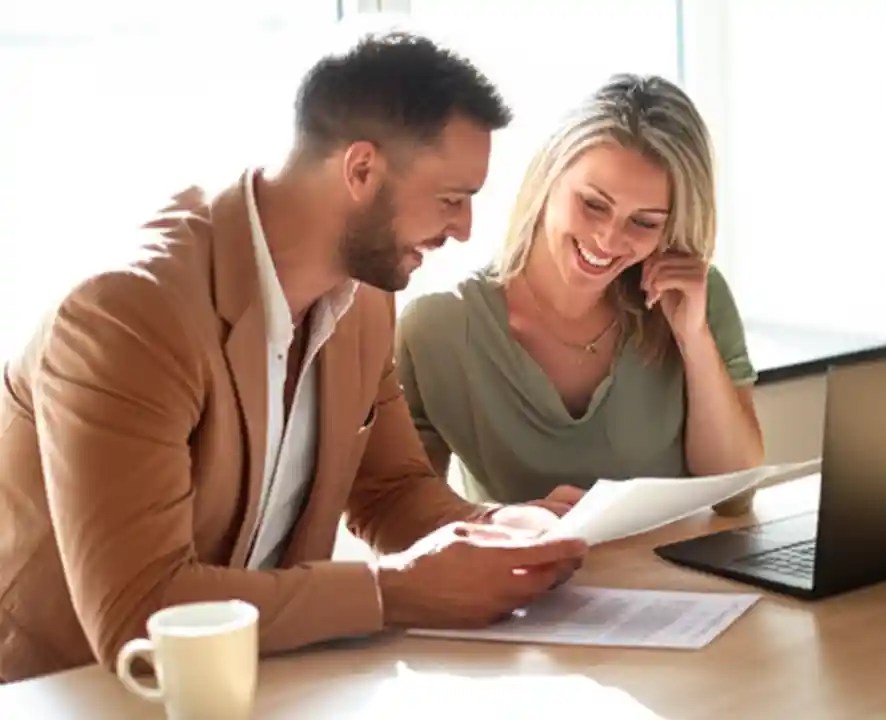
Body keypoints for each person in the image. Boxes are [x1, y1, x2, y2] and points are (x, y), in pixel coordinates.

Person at [0, 32, 588, 683]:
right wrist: (392, 591)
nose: (465, 230)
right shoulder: (127, 314)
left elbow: (390, 493)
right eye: (451, 198)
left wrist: (502, 531)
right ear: (361, 170)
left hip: (259, 684)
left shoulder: (364, 302)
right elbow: (142, 612)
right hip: (69, 693)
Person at [395, 74, 764, 515]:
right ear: (549, 178)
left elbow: (734, 495)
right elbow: (401, 519)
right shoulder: (438, 330)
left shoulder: (693, 299)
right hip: (525, 583)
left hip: (678, 581)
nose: (608, 239)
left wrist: (694, 340)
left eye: (643, 222)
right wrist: (509, 526)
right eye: (592, 204)